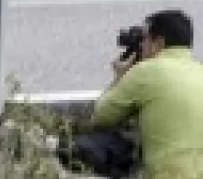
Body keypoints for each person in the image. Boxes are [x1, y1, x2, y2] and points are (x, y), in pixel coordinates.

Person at [65, 10, 203, 179]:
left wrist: (119, 77)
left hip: (167, 174)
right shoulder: (200, 71)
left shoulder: (146, 71)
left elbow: (100, 117)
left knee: (81, 146)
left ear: (158, 43)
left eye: (144, 38)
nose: (141, 45)